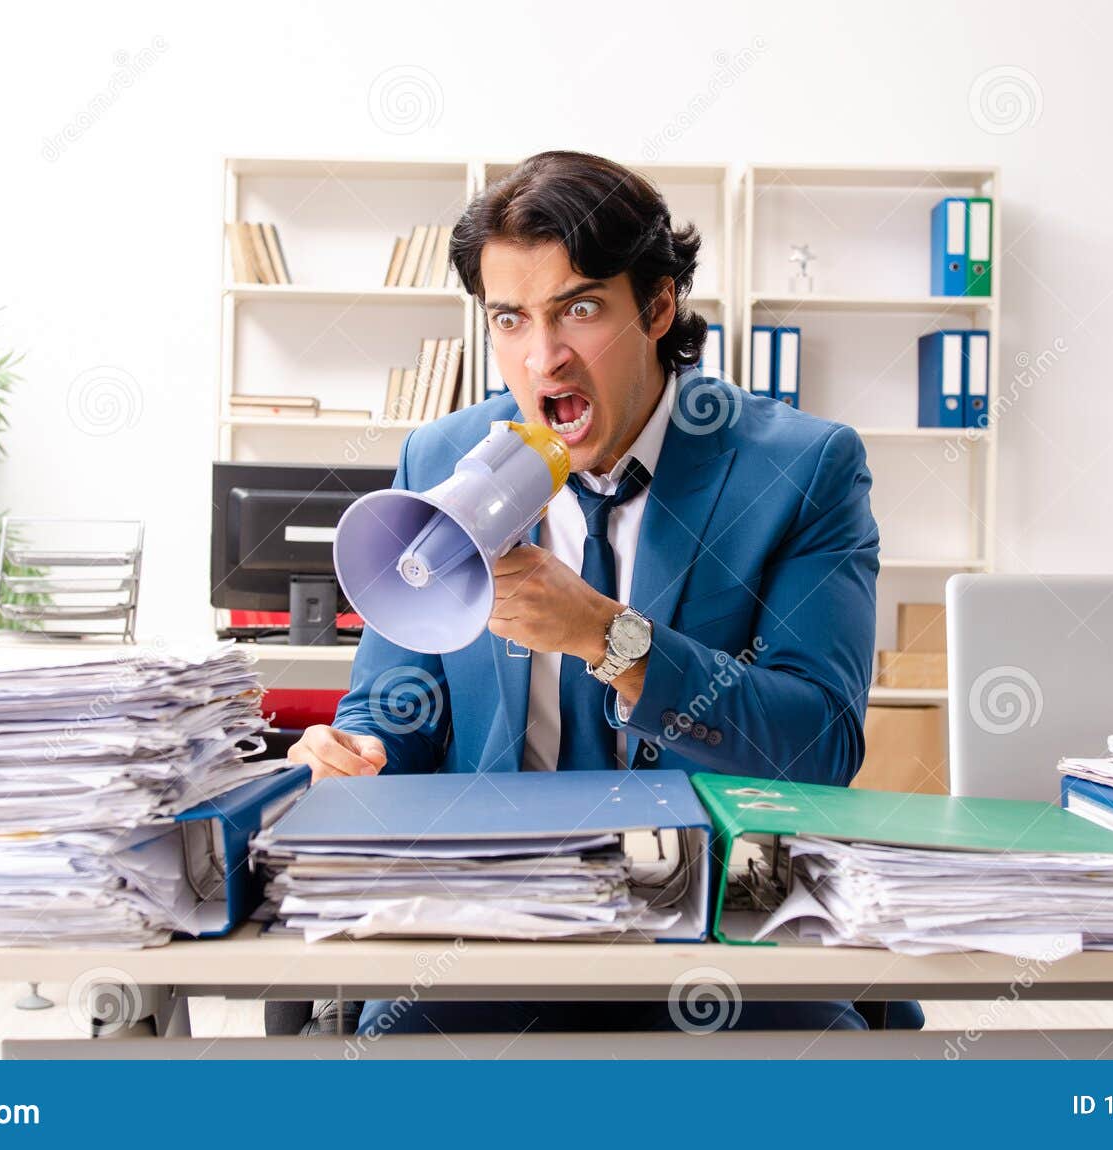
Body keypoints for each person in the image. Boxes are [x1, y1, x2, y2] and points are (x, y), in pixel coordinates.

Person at [278, 150, 920, 1036]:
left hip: (718, 925)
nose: (544, 358)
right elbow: (398, 708)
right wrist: (352, 751)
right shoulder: (441, 460)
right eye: (511, 319)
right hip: (490, 931)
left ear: (657, 307)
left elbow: (818, 746)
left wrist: (611, 639)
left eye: (579, 309)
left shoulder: (802, 468)